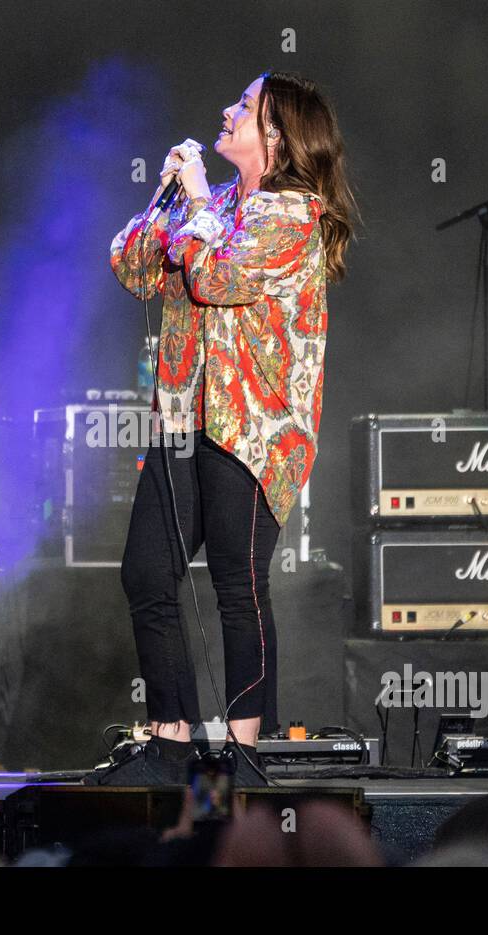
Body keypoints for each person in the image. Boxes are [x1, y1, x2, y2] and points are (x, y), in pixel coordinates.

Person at [90, 71, 356, 786]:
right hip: (182, 416)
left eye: (242, 107)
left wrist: (201, 203)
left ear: (275, 135)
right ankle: (171, 741)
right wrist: (170, 195)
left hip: (256, 428)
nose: (225, 110)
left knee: (236, 585)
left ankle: (242, 752)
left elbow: (214, 277)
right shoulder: (219, 205)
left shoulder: (293, 216)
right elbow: (132, 266)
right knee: (147, 573)